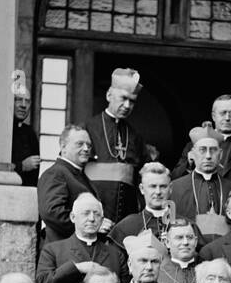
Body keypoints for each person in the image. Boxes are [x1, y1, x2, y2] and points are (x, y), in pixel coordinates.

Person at [35, 193, 128, 283]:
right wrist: (76, 268)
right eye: (86, 213)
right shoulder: (54, 250)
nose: (91, 219)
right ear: (73, 217)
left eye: (96, 214)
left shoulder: (115, 254)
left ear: (102, 220)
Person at [83, 67, 155, 222]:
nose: (128, 105)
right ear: (109, 95)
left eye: (132, 101)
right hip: (93, 213)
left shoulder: (135, 136)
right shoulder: (87, 129)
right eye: (123, 98)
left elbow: (147, 176)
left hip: (126, 215)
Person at [37, 125, 100, 244]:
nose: (86, 149)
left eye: (89, 145)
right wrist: (91, 226)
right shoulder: (55, 173)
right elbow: (53, 212)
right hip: (62, 251)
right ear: (63, 147)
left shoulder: (78, 175)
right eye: (79, 144)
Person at [172, 95, 231, 186]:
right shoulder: (193, 145)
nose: (227, 118)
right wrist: (189, 164)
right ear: (213, 116)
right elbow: (175, 179)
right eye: (223, 113)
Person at [169, 124, 231, 236]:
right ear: (192, 154)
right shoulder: (174, 189)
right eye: (202, 150)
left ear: (220, 154)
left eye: (213, 150)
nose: (208, 156)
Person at [111, 162, 174, 243]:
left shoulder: (187, 225)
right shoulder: (126, 226)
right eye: (153, 186)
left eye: (163, 186)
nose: (158, 192)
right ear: (142, 189)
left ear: (170, 188)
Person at [157, 218, 203, 283]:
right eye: (179, 238)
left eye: (189, 237)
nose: (185, 242)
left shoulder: (208, 270)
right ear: (167, 243)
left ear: (196, 242)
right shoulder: (158, 273)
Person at [11, 74, 40, 187]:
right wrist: (21, 166)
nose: (23, 105)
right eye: (18, 100)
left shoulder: (30, 133)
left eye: (27, 101)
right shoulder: (2, 132)